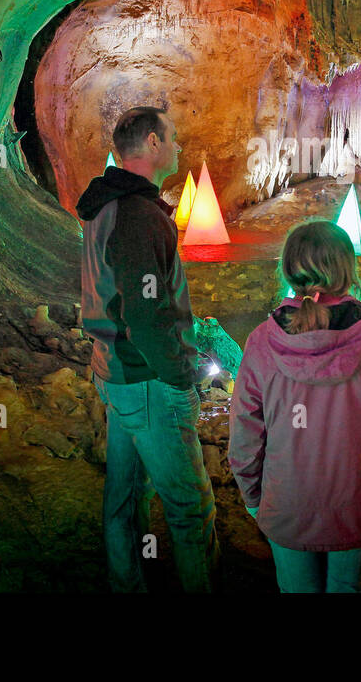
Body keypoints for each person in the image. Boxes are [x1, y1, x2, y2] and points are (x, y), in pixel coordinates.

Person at [228, 221, 361, 592]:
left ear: (289, 270)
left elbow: (246, 431)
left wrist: (253, 496)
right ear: (347, 269)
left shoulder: (262, 342)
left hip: (287, 502)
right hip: (357, 502)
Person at [77, 106, 218, 593]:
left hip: (115, 371)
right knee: (189, 506)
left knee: (125, 498)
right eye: (173, 137)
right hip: (147, 379)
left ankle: (126, 583)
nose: (179, 146)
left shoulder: (108, 205)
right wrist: (182, 374)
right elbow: (145, 312)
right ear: (153, 143)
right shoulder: (138, 215)